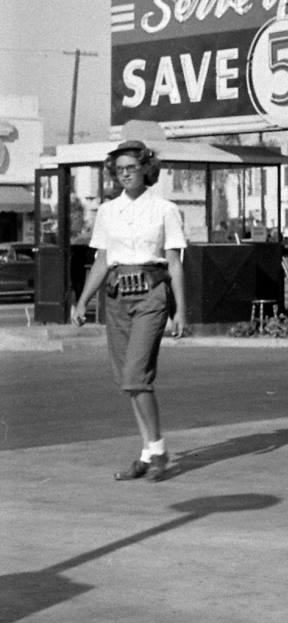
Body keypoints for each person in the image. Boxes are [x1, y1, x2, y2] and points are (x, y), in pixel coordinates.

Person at [71, 139, 188, 482]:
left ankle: (160, 450)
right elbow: (103, 261)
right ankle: (147, 453)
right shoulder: (107, 211)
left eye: (131, 168)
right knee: (128, 381)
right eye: (119, 169)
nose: (125, 174)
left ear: (145, 169)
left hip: (152, 295)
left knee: (137, 375)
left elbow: (175, 263)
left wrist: (181, 310)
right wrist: (82, 301)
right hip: (116, 298)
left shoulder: (165, 209)